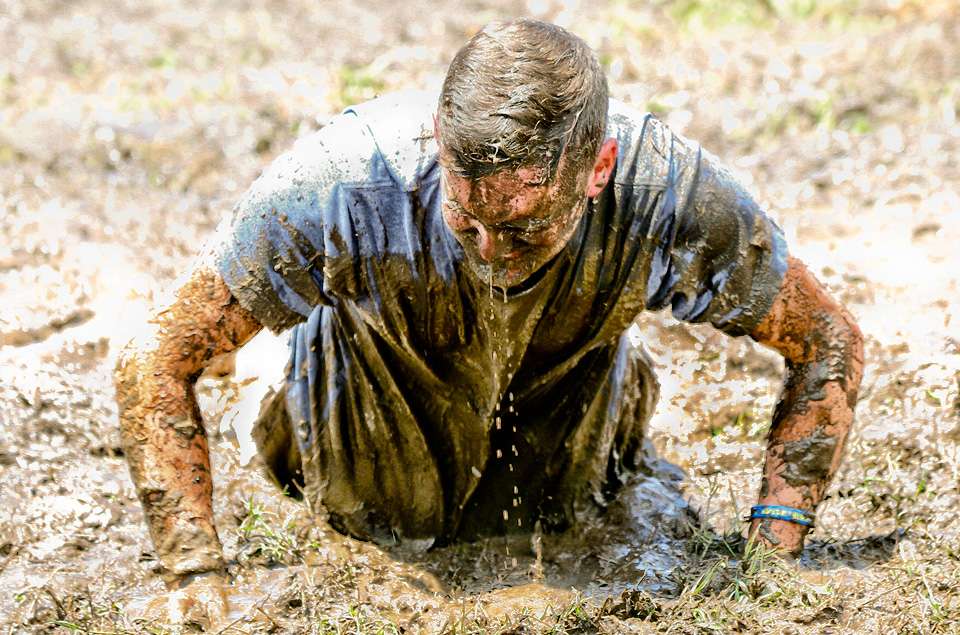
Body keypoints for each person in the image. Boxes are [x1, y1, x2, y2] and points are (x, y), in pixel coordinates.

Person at [114, 18, 863, 625]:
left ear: (598, 169)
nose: (492, 251)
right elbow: (152, 353)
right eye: (465, 219)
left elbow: (828, 337)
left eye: (526, 226)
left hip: (572, 433)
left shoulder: (665, 190)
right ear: (440, 142)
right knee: (265, 373)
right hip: (347, 431)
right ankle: (263, 358)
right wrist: (195, 571)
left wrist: (774, 547)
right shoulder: (342, 180)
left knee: (617, 440)